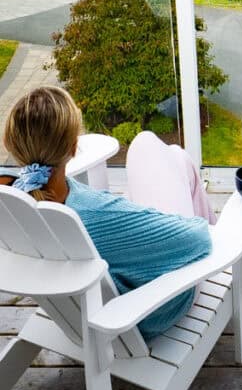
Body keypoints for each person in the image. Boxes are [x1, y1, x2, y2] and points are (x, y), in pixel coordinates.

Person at [0, 86, 217, 342]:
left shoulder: (11, 199)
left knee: (174, 156)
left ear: (12, 145)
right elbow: (200, 238)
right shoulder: (91, 212)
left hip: (80, 310)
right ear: (72, 148)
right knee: (155, 147)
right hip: (146, 310)